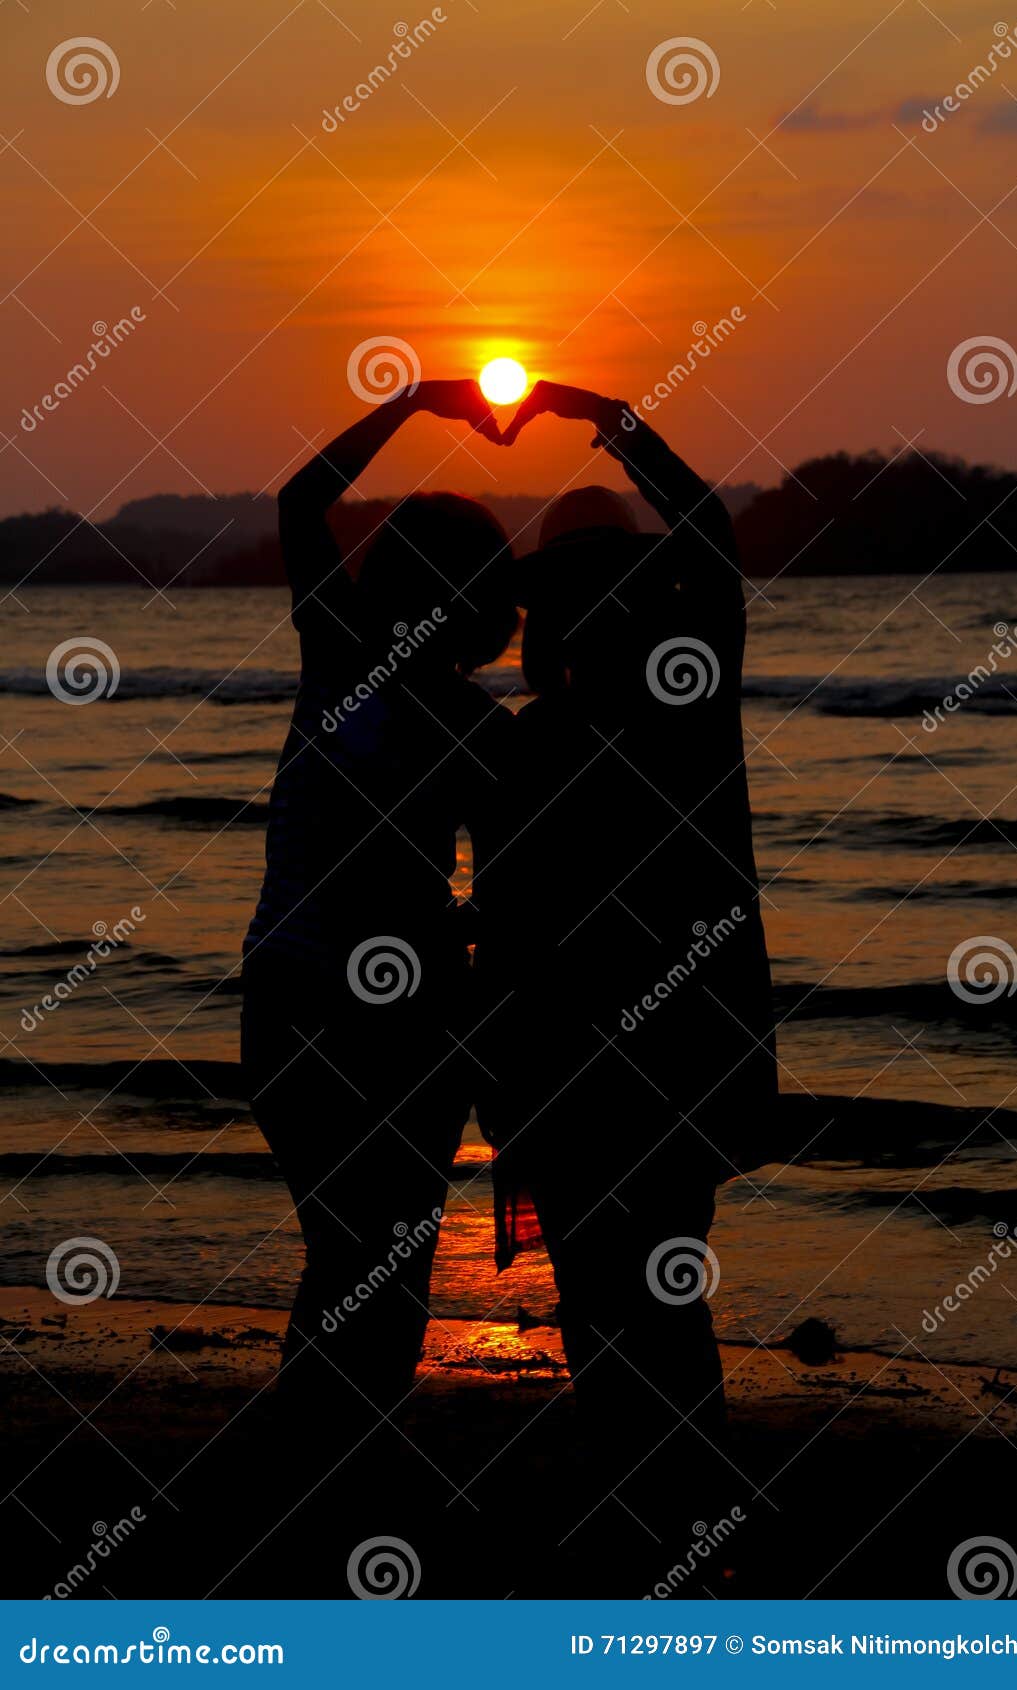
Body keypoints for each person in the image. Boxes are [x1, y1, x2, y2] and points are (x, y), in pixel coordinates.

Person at [474, 383, 777, 1590]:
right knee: (655, 1280)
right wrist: (602, 414)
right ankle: (678, 1513)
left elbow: (501, 924)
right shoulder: (687, 707)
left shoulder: (541, 737)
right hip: (672, 1052)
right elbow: (710, 530)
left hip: (575, 1055)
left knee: (612, 1293)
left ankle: (651, 1507)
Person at [241, 381, 516, 1468]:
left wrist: (411, 401)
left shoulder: (339, 664)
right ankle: (313, 1479)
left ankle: (303, 1479)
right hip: (395, 1022)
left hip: (293, 998)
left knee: (344, 1258)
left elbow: (302, 500)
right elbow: (506, 894)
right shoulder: (473, 728)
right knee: (380, 1275)